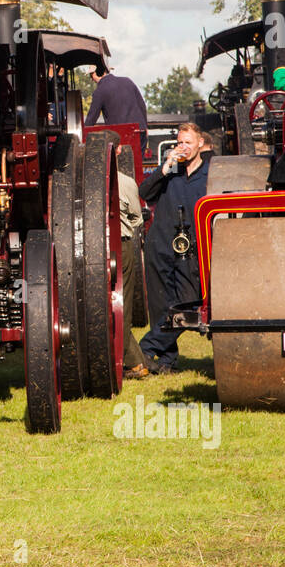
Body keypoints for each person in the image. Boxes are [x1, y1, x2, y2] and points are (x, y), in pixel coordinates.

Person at [137, 123, 209, 374]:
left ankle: (145, 349)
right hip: (161, 245)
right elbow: (144, 192)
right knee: (159, 306)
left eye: (188, 142)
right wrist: (164, 168)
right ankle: (166, 362)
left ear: (200, 143)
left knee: (189, 302)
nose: (183, 147)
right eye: (180, 142)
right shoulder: (169, 172)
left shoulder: (209, 174)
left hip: (192, 248)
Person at [117, 165, 148, 379]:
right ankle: (135, 360)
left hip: (119, 246)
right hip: (122, 242)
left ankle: (136, 362)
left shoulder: (124, 181)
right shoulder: (126, 182)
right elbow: (137, 218)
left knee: (121, 306)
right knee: (122, 303)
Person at [85, 63, 147, 136]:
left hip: (120, 134)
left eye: (91, 75)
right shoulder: (128, 81)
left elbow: (92, 117)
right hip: (140, 131)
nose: (92, 79)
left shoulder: (99, 91)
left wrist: (83, 133)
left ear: (96, 73)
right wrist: (145, 126)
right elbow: (142, 106)